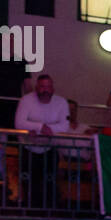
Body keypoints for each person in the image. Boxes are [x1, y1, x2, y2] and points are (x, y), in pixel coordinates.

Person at [14, 74, 70, 209]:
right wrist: (41, 127)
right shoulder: (26, 100)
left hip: (50, 149)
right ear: (36, 88)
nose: (45, 90)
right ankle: (28, 211)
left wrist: (40, 129)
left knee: (49, 182)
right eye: (42, 86)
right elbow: (19, 123)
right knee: (29, 182)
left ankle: (49, 211)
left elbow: (64, 126)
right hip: (28, 148)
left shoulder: (61, 102)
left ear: (53, 88)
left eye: (48, 87)